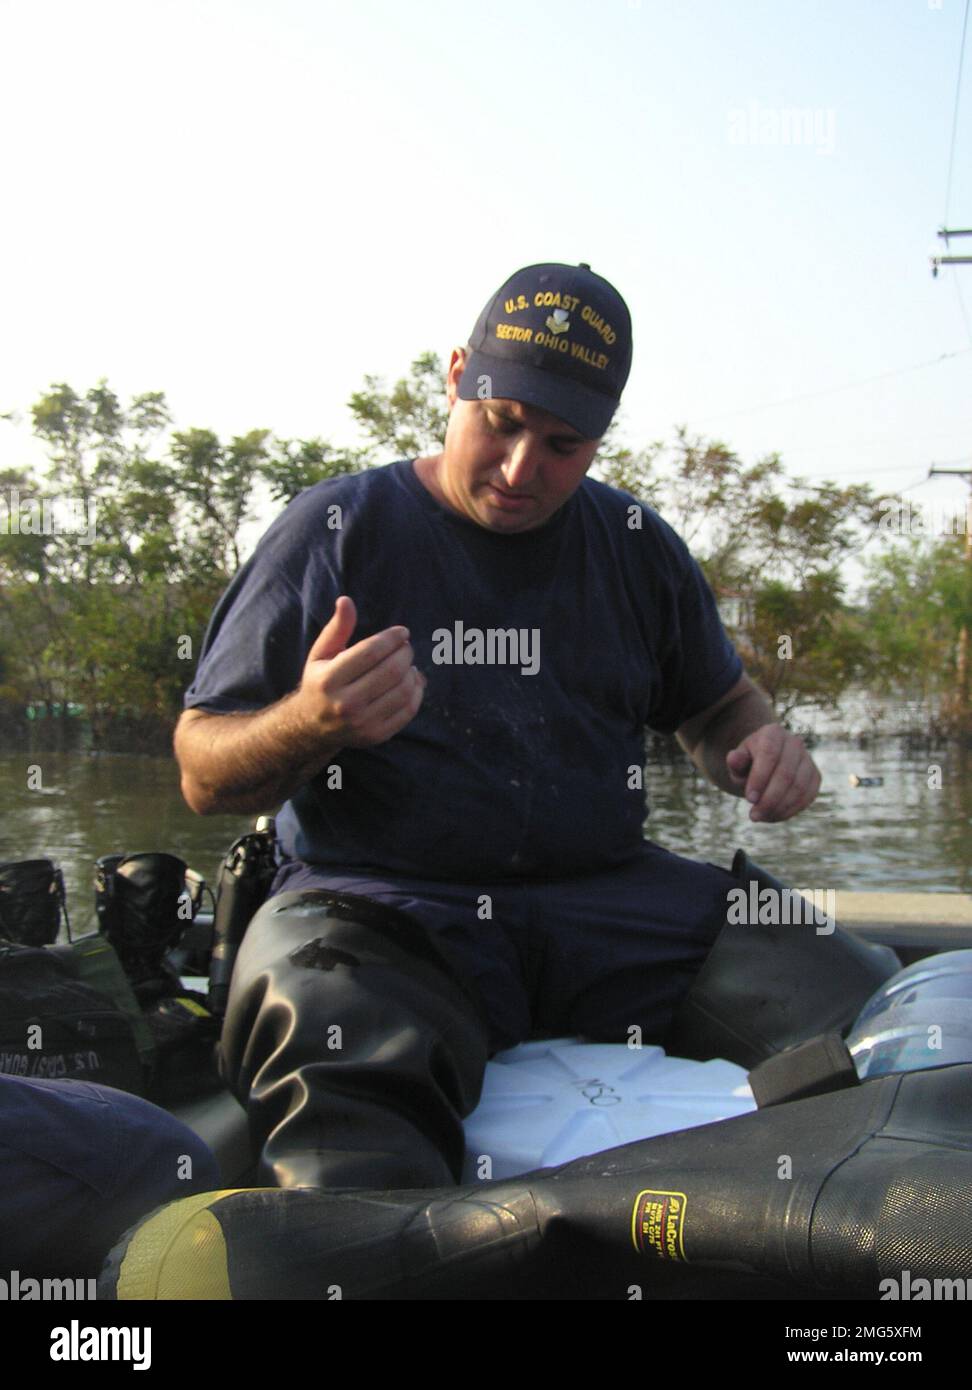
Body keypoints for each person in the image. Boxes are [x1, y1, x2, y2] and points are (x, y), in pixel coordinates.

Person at [173, 262, 893, 1192]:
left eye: (562, 444)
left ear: (600, 439)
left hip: (607, 906)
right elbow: (201, 769)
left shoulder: (637, 545)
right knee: (333, 1082)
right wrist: (312, 723)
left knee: (875, 1004)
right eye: (501, 423)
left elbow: (719, 707)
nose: (521, 470)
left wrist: (760, 748)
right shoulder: (336, 530)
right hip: (383, 914)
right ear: (456, 375)